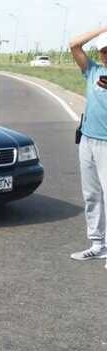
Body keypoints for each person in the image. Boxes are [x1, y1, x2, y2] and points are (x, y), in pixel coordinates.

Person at [70, 28, 107, 266]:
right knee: (92, 195)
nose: (106, 55)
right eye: (104, 50)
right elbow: (74, 44)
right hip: (87, 140)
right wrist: (104, 27)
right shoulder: (93, 70)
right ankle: (98, 244)